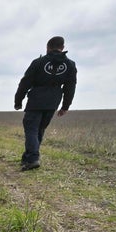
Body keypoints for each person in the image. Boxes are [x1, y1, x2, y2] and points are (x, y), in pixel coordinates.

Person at [14, 36, 77, 171]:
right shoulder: (70, 65)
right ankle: (28, 157)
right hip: (53, 101)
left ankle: (32, 158)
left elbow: (25, 82)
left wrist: (18, 101)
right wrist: (65, 106)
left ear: (48, 47)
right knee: (40, 129)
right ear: (63, 48)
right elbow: (70, 87)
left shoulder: (38, 62)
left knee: (31, 129)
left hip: (36, 100)